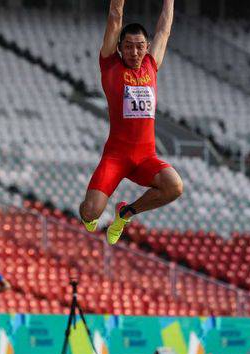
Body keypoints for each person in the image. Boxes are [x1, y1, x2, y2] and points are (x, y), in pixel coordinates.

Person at [79, 0, 183, 245]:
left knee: (174, 187)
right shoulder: (110, 64)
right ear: (119, 47)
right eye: (128, 47)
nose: (134, 52)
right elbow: (115, 16)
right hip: (116, 156)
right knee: (89, 212)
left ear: (147, 48)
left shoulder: (151, 65)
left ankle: (125, 213)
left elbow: (164, 29)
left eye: (139, 47)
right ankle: (93, 215)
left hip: (146, 157)